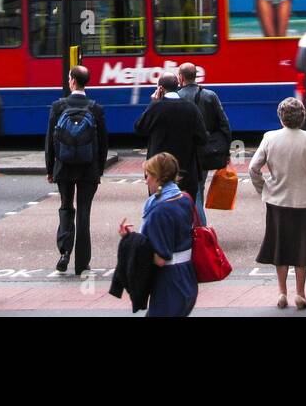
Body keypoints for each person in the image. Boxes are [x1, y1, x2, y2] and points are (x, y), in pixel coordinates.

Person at [250, 96, 306, 309]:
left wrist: (264, 189)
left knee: (280, 247)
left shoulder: (270, 137)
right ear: (302, 117)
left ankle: (281, 292)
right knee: (302, 249)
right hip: (305, 202)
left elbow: (253, 168)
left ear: (281, 116)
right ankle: (300, 294)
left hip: (277, 201)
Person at [45, 65, 108, 275]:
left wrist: (50, 168)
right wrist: (98, 169)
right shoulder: (95, 108)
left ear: (72, 80)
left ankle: (64, 252)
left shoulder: (58, 106)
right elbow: (104, 143)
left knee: (65, 207)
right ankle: (82, 263)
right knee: (84, 213)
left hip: (63, 166)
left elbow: (49, 142)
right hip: (88, 168)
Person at [118, 152, 198, 317]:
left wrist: (131, 240)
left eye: (148, 175)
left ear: (157, 178)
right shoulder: (184, 199)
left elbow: (160, 259)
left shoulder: (158, 211)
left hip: (169, 285)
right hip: (187, 278)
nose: (146, 180)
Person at [133, 71, 207, 205]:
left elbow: (140, 128)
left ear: (160, 88)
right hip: (186, 172)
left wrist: (153, 103)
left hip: (159, 173)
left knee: (160, 211)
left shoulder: (156, 108)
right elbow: (203, 138)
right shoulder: (191, 108)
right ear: (177, 85)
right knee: (185, 214)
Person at [177, 62, 231, 225]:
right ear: (196, 76)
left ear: (181, 77)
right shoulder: (210, 95)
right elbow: (224, 124)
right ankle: (198, 226)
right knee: (199, 189)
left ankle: (200, 229)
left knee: (191, 193)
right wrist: (226, 151)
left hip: (184, 153)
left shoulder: (177, 97)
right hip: (205, 152)